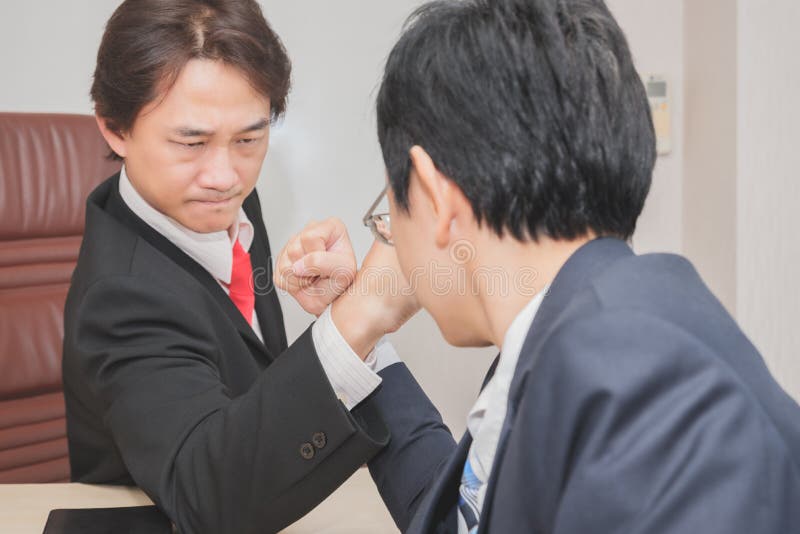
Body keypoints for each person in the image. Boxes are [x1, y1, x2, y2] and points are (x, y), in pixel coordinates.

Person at [280, 0, 800, 532]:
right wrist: (365, 335)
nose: (393, 243)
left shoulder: (643, 394)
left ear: (435, 198)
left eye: (389, 216)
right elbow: (465, 517)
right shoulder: (579, 342)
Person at [62, 1, 414, 532]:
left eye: (249, 139)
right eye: (192, 142)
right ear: (115, 128)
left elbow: (249, 385)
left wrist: (337, 316)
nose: (225, 176)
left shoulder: (221, 203)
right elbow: (208, 498)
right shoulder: (119, 298)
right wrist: (356, 319)